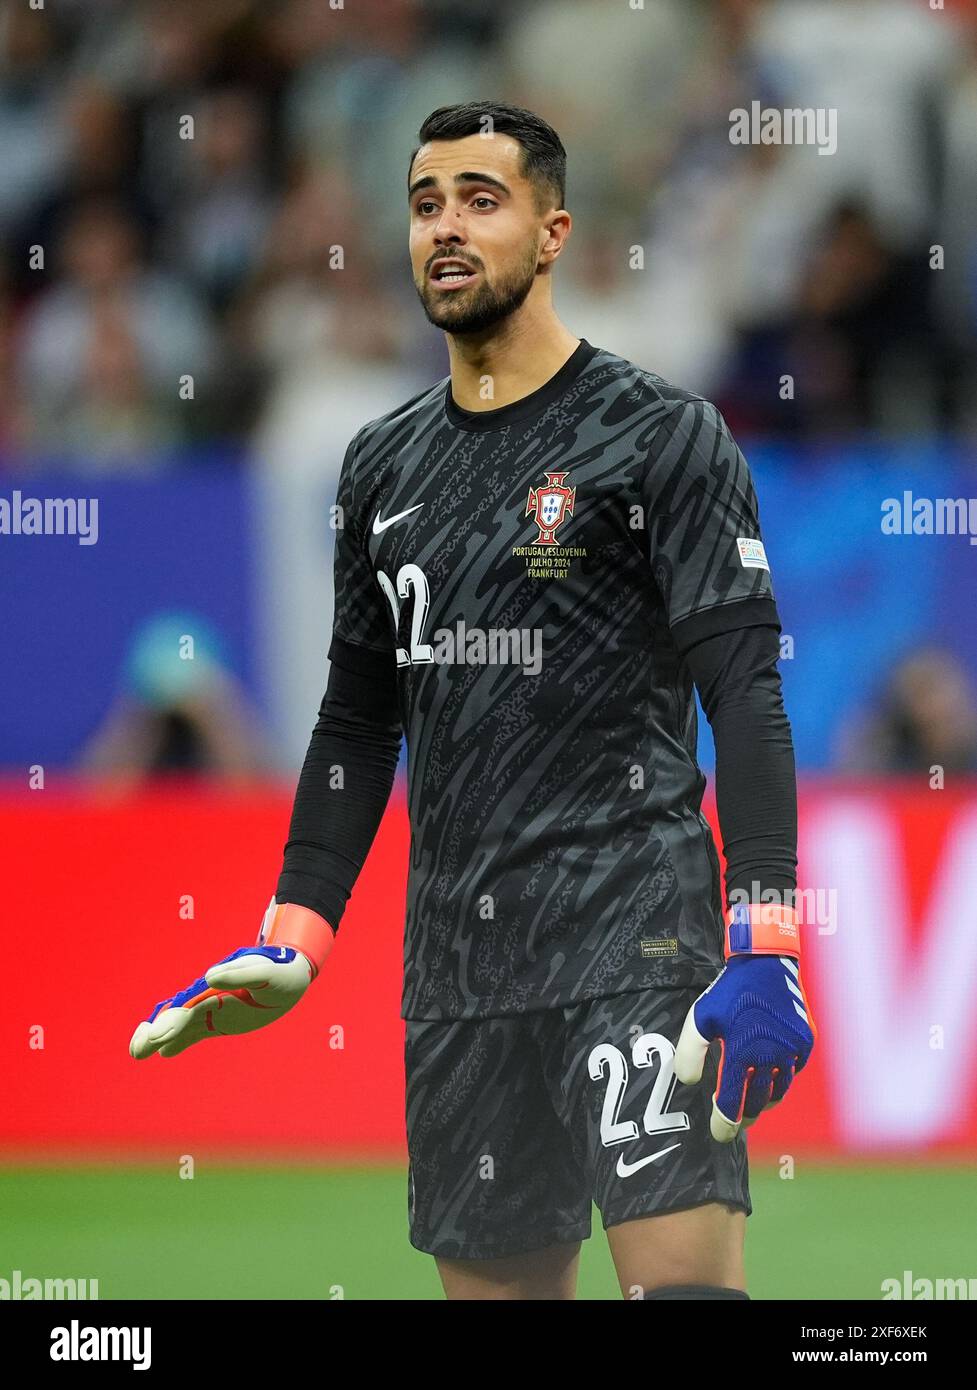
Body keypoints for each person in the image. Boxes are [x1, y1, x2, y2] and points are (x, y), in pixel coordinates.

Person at [130, 102, 815, 1302]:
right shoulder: (380, 466)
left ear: (552, 234)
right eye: (424, 203)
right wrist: (296, 929)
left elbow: (745, 695)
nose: (444, 226)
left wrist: (767, 941)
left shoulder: (659, 436)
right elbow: (356, 721)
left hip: (636, 945)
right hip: (456, 975)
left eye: (479, 200)